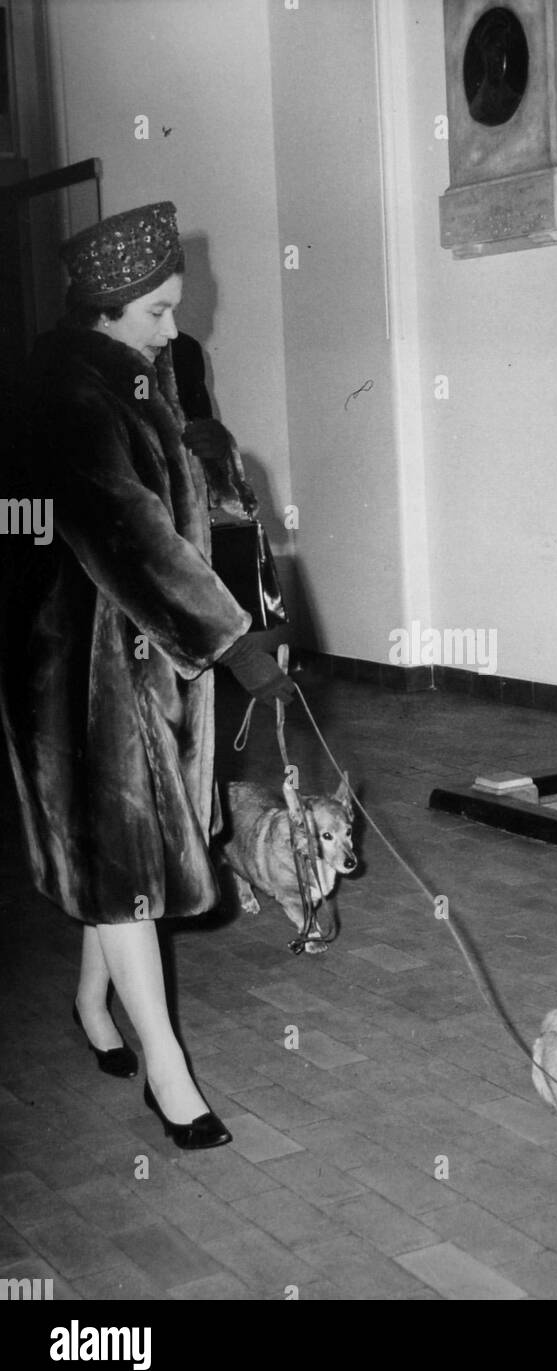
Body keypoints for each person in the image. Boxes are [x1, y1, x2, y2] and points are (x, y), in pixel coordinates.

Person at [0, 201, 296, 1146]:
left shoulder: (122, 376)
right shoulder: (70, 397)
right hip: (77, 676)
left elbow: (168, 517)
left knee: (115, 858)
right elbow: (130, 539)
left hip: (134, 657)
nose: (175, 327)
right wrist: (238, 644)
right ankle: (170, 1077)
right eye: (159, 310)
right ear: (109, 306)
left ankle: (95, 1005)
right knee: (121, 857)